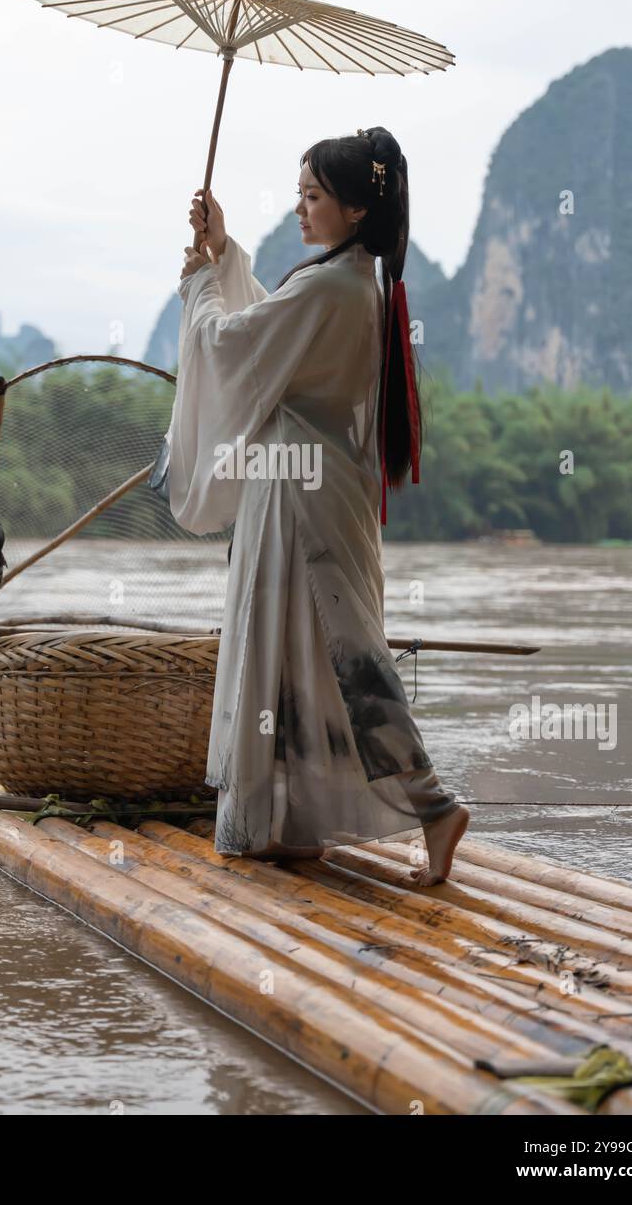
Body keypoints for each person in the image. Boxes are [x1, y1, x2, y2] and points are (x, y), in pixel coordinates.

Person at [150, 126, 468, 883]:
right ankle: (293, 822)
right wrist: (223, 256)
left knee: (344, 657)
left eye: (314, 196)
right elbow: (273, 331)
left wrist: (199, 284)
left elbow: (234, 347)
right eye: (299, 194)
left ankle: (433, 804)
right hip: (312, 490)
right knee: (307, 657)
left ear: (356, 209)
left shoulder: (334, 285)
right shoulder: (350, 281)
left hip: (302, 499)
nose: (300, 209)